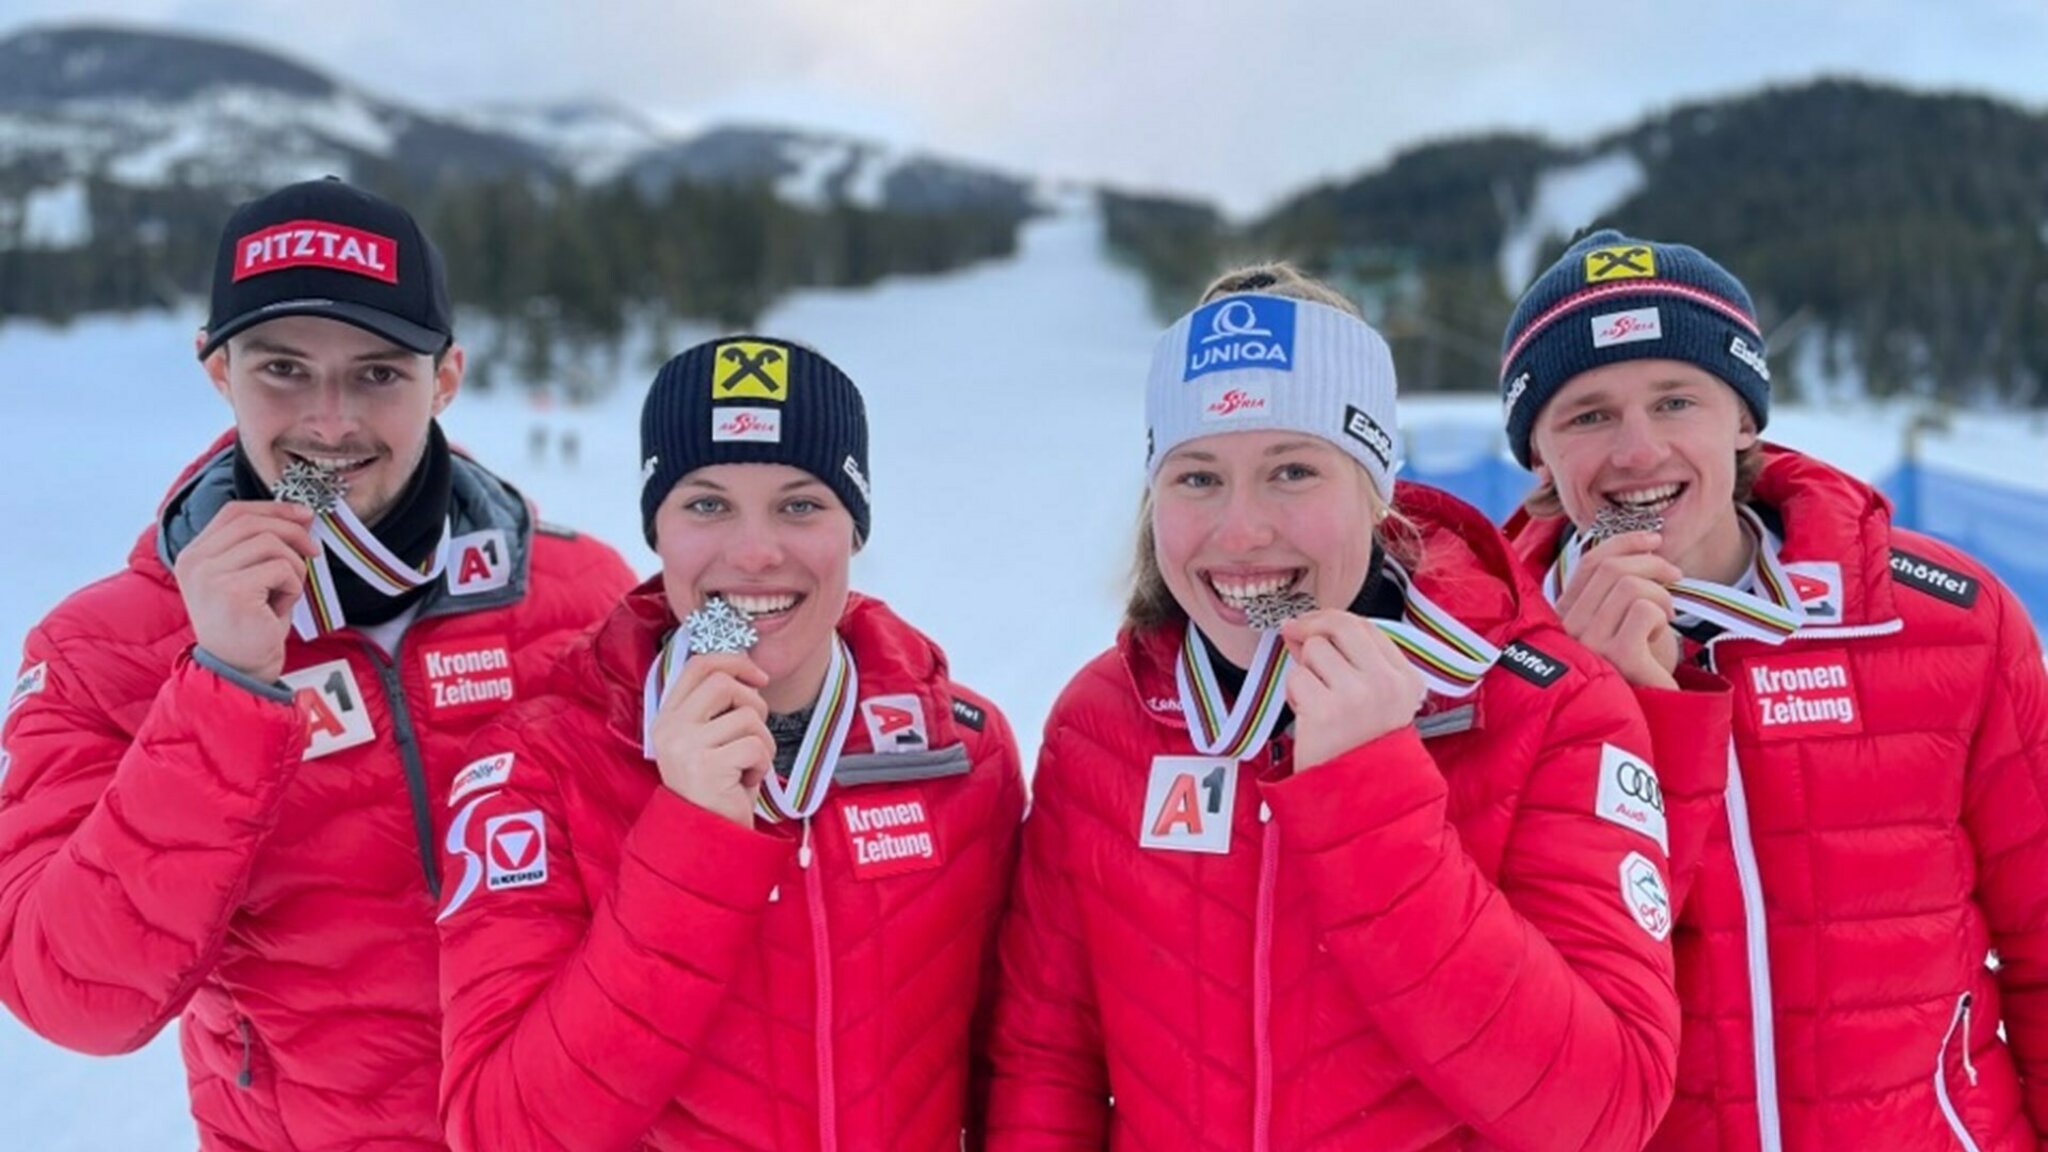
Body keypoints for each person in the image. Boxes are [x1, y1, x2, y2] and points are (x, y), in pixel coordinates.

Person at [0, 177, 636, 1150]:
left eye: (378, 373)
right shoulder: (103, 649)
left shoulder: (576, 591)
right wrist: (222, 688)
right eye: (284, 369)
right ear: (217, 371)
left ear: (448, 377)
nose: (329, 422)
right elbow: (72, 997)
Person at [986, 264, 1681, 1151]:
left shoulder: (1543, 702)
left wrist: (1374, 795)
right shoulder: (1107, 717)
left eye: (1292, 471)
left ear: (1375, 487)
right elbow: (1046, 1063)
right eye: (1198, 479)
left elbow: (1606, 1108)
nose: (1240, 532)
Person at [1498, 229, 2048, 1151]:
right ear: (1538, 454)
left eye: (1677, 400)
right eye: (1587, 415)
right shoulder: (1486, 662)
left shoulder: (1942, 620)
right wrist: (1601, 703)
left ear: (1745, 419)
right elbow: (1512, 1009)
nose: (1638, 451)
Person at [435, 336, 1026, 1151]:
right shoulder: (535, 765)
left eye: (801, 504)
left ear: (853, 529)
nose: (754, 553)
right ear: (658, 530)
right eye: (707, 504)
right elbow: (502, 1132)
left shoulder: (962, 753)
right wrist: (689, 835)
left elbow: (1020, 1066)